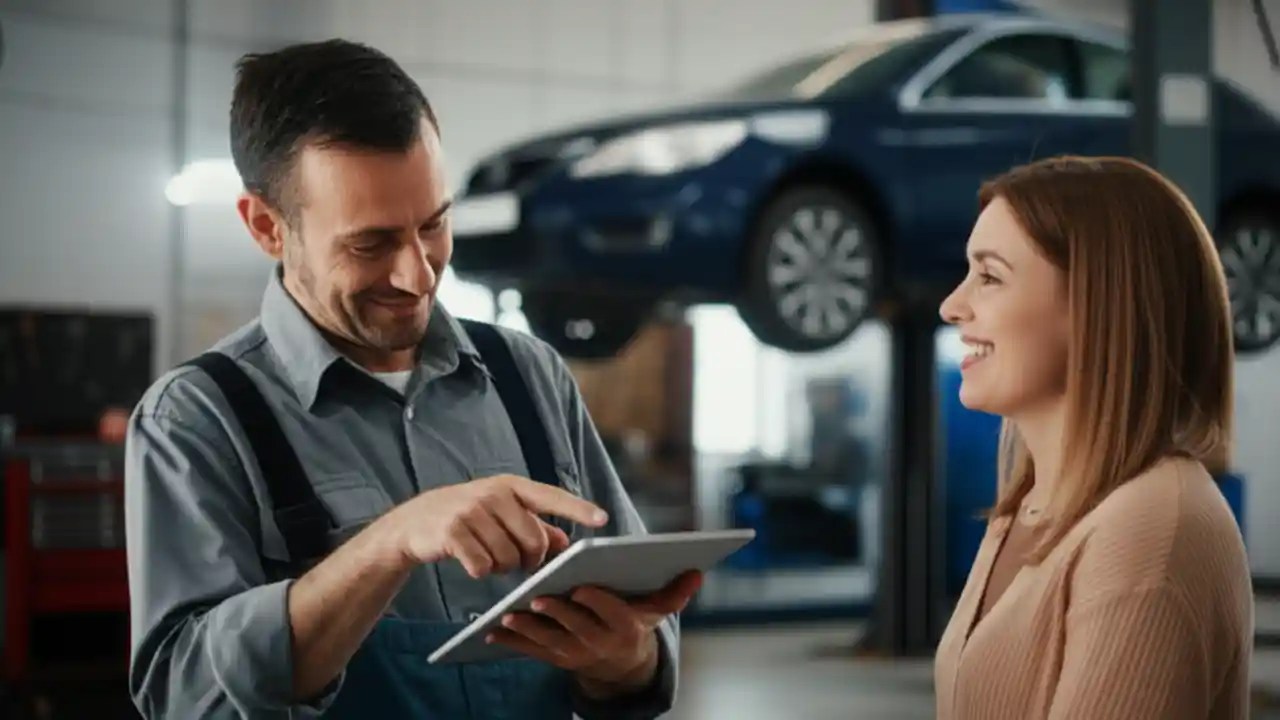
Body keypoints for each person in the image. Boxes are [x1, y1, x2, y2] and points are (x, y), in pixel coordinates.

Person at [124, 39, 696, 720]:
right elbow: (185, 696)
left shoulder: (530, 377)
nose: (417, 275)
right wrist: (388, 544)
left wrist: (625, 659)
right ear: (267, 227)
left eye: (433, 224)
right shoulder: (195, 420)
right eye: (370, 244)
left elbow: (643, 640)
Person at [933, 156, 1253, 719]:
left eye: (990, 277)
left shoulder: (1149, 531)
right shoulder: (1031, 505)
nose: (952, 306)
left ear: (1096, 304)